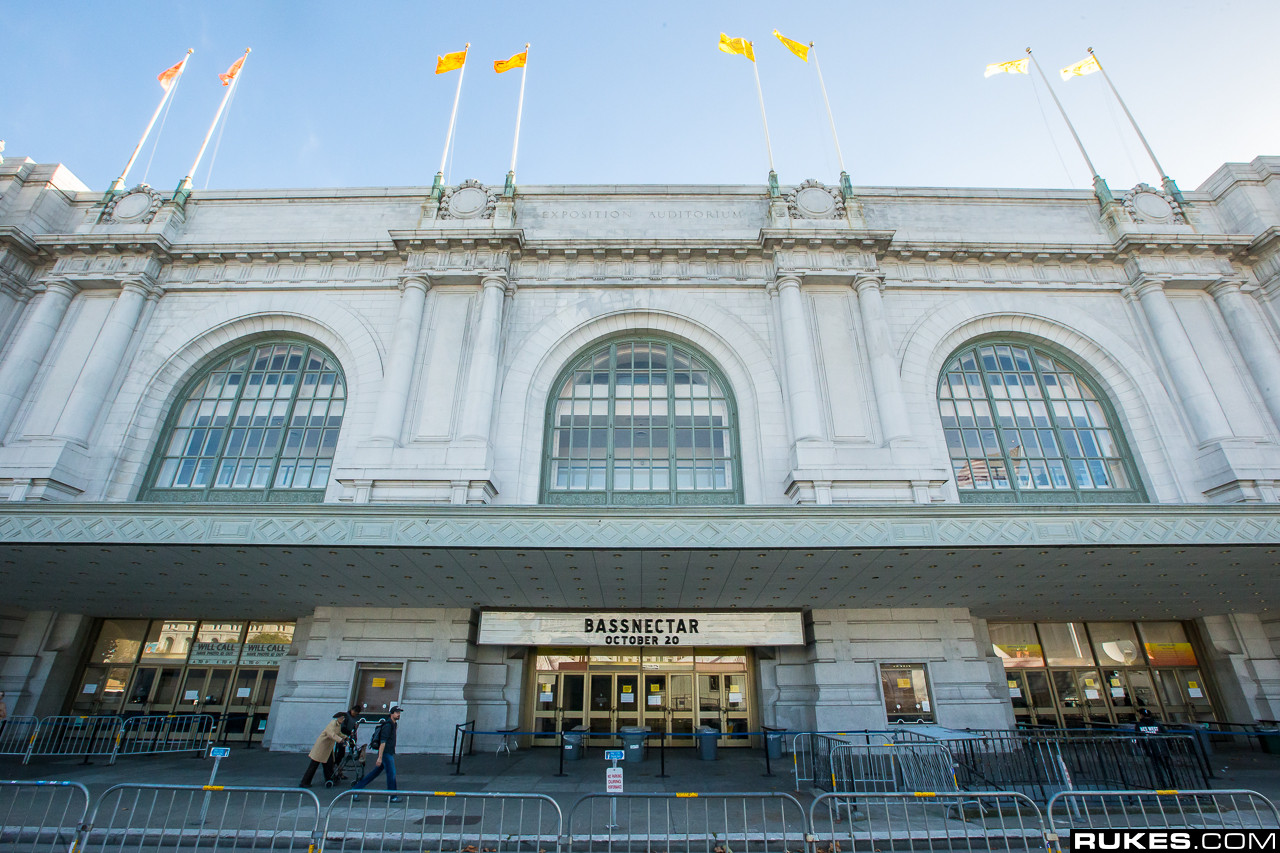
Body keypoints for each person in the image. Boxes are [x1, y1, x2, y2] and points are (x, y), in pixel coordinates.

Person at [352, 706, 401, 801]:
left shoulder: (393, 724)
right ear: (391, 714)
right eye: (396, 712)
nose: (398, 714)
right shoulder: (388, 725)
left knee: (374, 774)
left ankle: (356, 789)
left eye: (399, 713)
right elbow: (383, 742)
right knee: (391, 774)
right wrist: (380, 757)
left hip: (388, 752)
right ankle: (393, 796)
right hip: (386, 753)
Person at [300, 711, 347, 788]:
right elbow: (331, 734)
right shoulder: (332, 724)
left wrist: (345, 737)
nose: (343, 720)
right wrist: (340, 740)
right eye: (342, 718)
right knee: (314, 765)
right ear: (339, 718)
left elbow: (338, 733)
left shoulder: (338, 725)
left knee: (329, 764)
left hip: (327, 748)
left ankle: (330, 779)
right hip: (322, 747)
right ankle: (305, 782)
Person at [332, 703, 363, 781]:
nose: (355, 714)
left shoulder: (354, 718)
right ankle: (335, 770)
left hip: (346, 737)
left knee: (342, 754)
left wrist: (354, 729)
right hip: (341, 737)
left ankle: (338, 770)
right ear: (352, 710)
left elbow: (352, 728)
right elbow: (342, 728)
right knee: (340, 754)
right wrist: (349, 732)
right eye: (355, 713)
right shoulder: (346, 716)